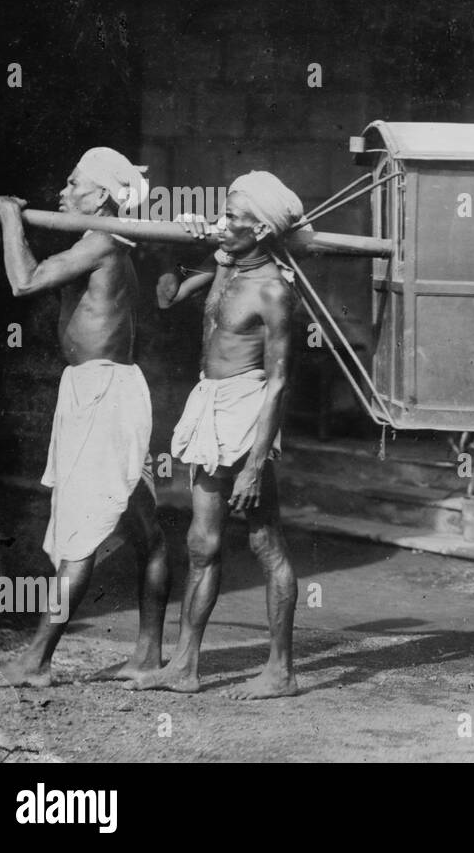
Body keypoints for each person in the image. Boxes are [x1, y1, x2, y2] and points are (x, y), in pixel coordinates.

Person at [0, 147, 169, 687]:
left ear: (102, 197)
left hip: (104, 397)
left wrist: (8, 215)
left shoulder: (104, 242)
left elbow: (23, 282)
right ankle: (147, 654)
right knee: (147, 534)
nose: (63, 194)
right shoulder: (104, 243)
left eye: (73, 185)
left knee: (80, 540)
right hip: (93, 392)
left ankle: (37, 661)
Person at [131, 171, 301, 699]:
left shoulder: (273, 289)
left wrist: (254, 463)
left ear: (261, 231)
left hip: (248, 410)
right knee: (201, 543)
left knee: (263, 540)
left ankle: (281, 672)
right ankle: (185, 666)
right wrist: (169, 248)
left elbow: (277, 382)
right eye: (223, 215)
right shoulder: (225, 263)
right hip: (209, 402)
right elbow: (168, 297)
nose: (222, 225)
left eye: (232, 219)